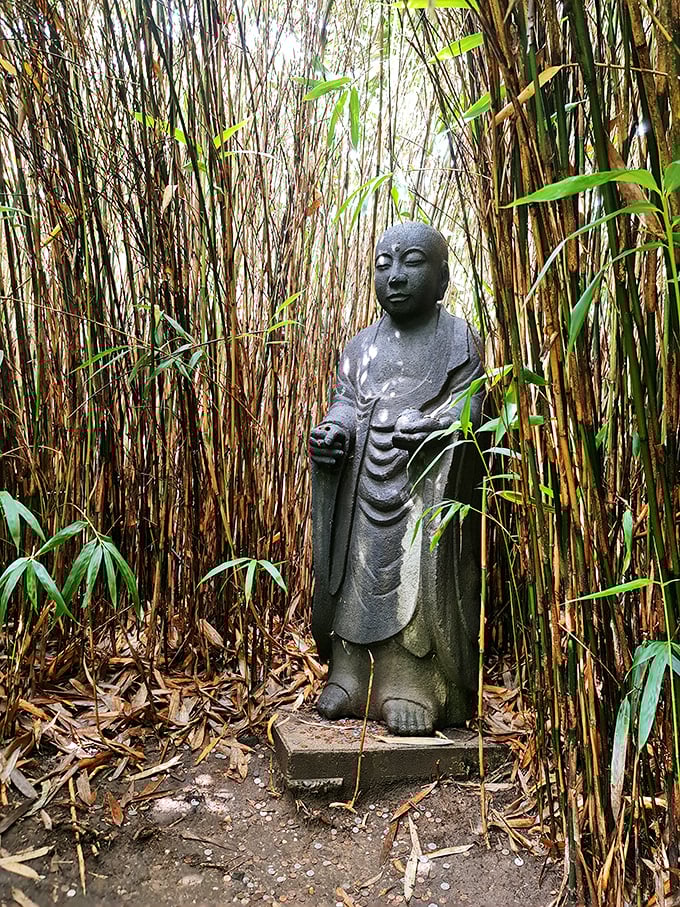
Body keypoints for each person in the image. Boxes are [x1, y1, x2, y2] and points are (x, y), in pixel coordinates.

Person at [309, 221, 486, 735]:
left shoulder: (458, 340)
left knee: (415, 577)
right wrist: (333, 434)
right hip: (361, 482)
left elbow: (469, 408)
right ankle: (349, 675)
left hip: (423, 488)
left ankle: (412, 683)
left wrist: (435, 429)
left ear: (443, 277)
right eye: (384, 263)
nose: (396, 275)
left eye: (412, 261)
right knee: (355, 575)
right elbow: (345, 403)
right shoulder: (360, 347)